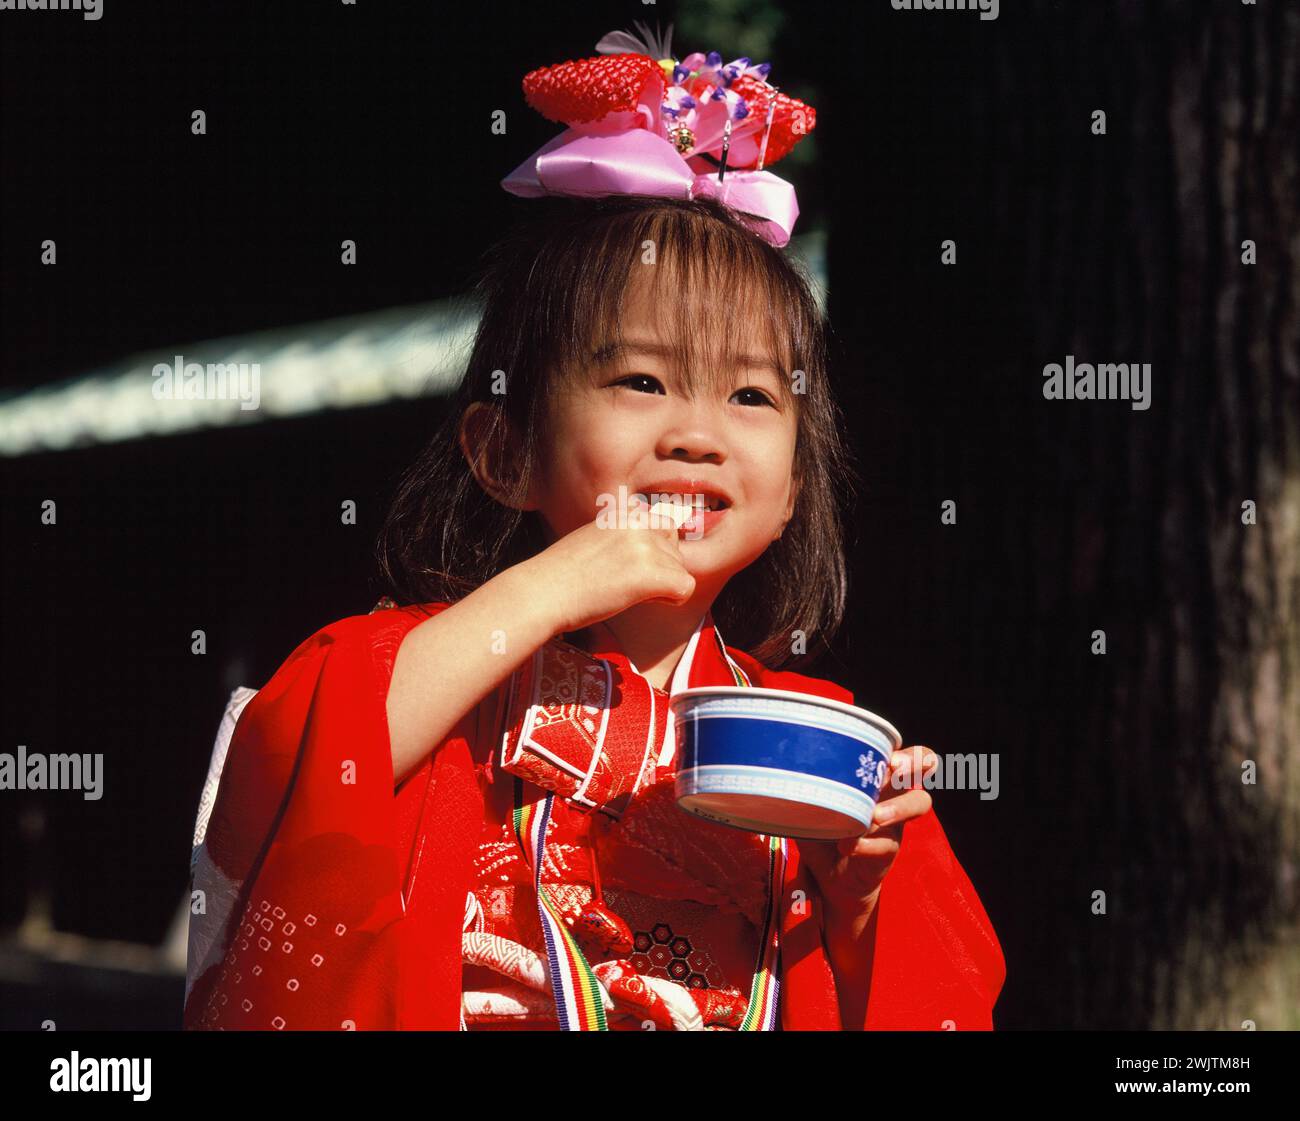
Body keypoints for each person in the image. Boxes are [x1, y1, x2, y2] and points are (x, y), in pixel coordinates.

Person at [183, 24, 1005, 1032]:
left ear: (794, 487)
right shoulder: (437, 673)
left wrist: (860, 897)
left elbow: (940, 995)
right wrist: (553, 585)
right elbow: (312, 760)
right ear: (505, 451)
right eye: (643, 380)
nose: (697, 432)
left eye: (751, 395)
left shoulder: (815, 734)